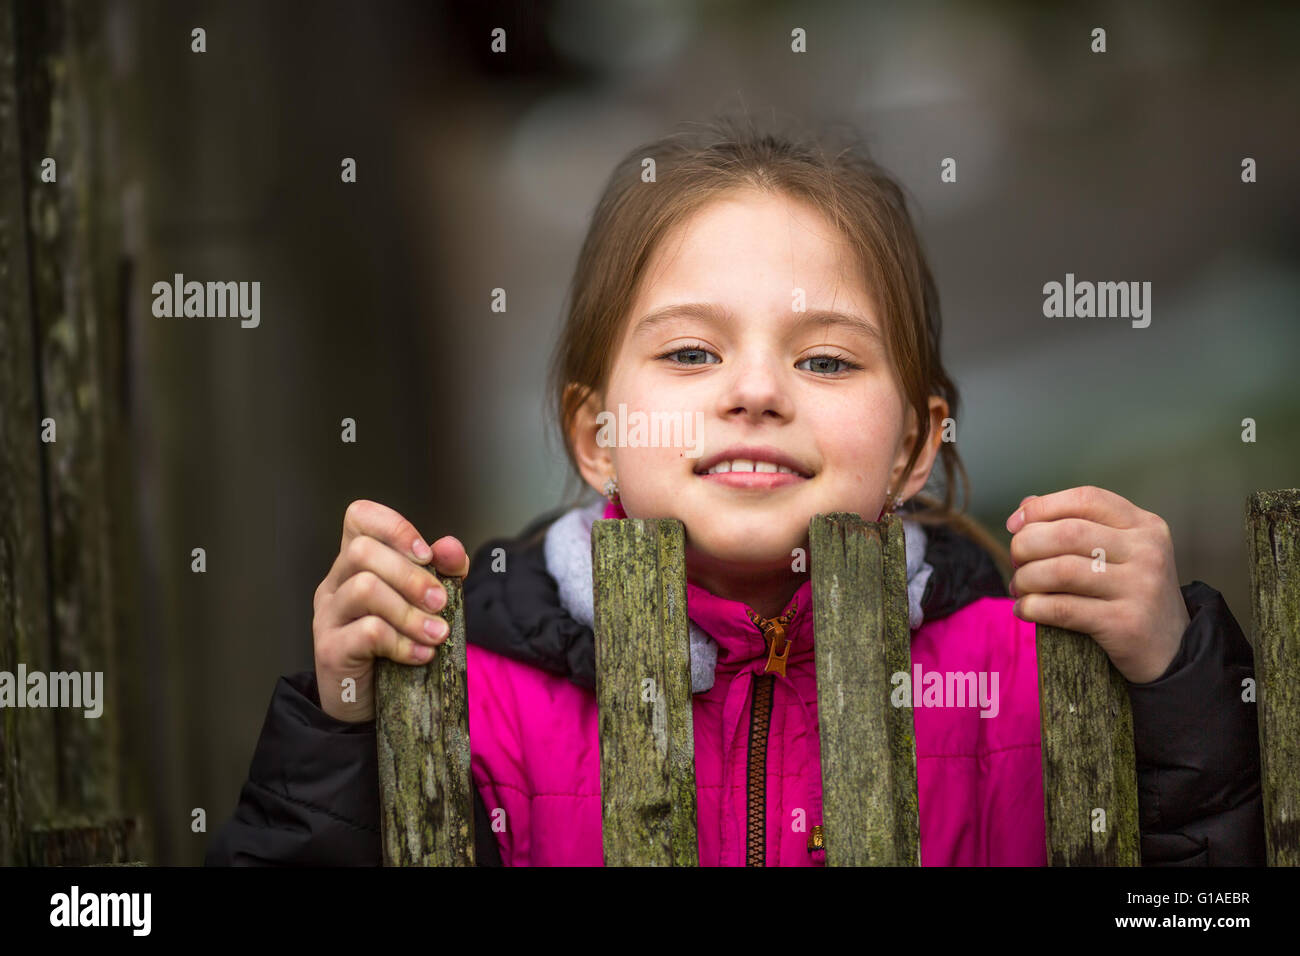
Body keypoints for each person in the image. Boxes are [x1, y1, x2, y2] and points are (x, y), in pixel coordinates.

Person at [205, 115, 1264, 866]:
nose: (756, 389)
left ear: (913, 442)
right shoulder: (476, 701)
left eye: (827, 361)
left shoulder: (1027, 674)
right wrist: (345, 726)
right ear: (597, 435)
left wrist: (1174, 676)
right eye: (691, 351)